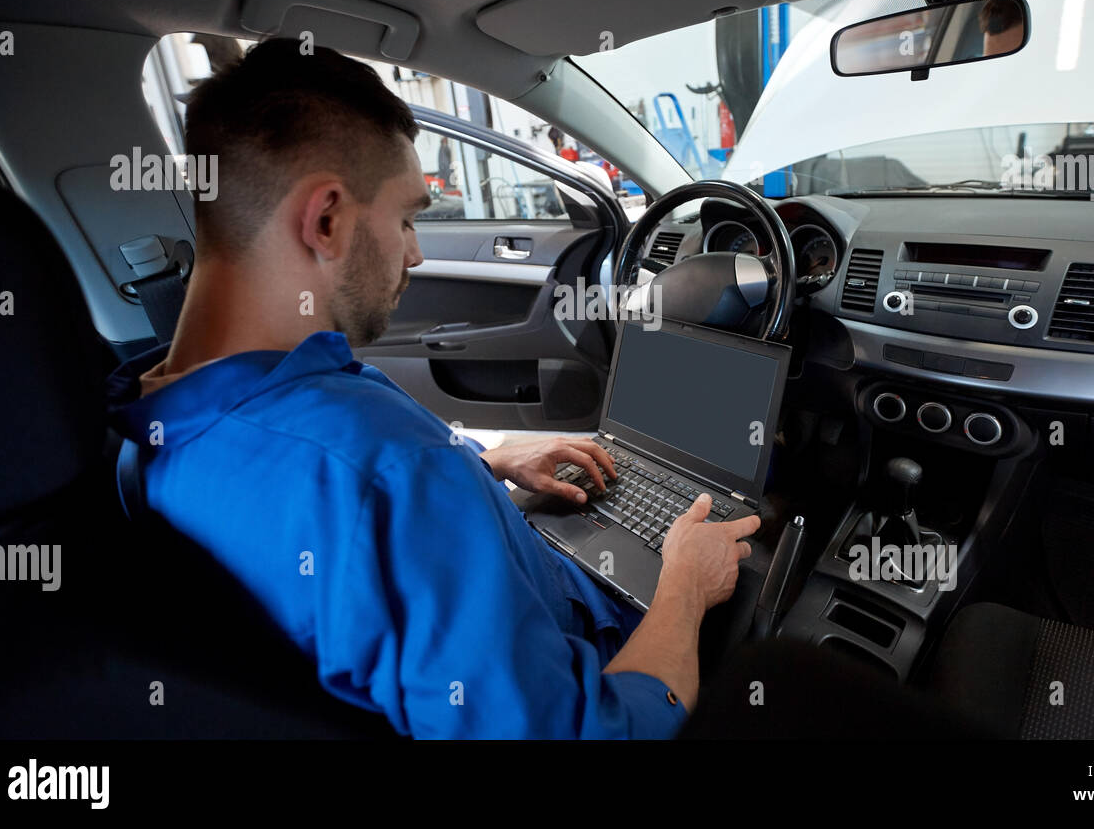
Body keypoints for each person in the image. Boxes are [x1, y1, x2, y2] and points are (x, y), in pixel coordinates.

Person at [106, 38, 757, 738]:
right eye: (409, 218)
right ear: (325, 218)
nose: (415, 251)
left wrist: (480, 473)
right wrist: (684, 589)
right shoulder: (387, 470)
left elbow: (349, 544)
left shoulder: (152, 426)